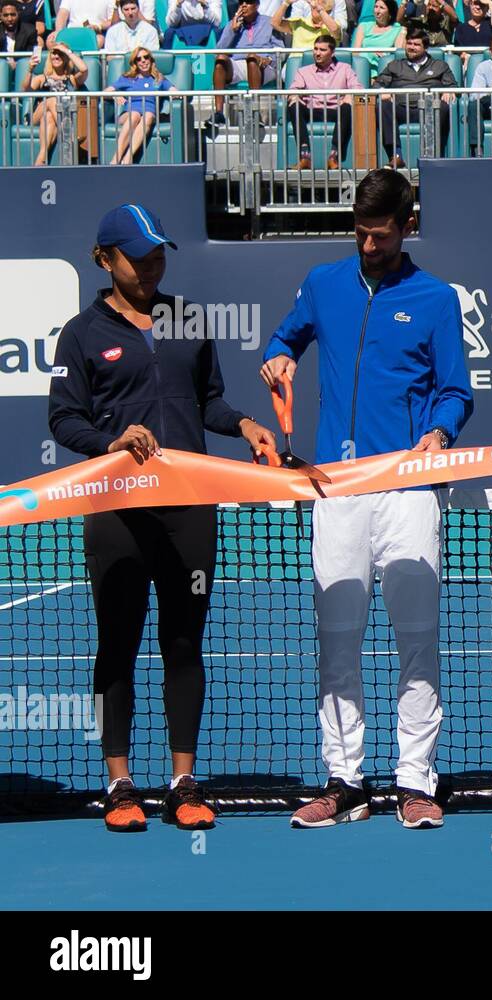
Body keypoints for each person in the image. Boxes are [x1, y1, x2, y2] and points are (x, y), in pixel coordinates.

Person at [47, 204, 276, 833]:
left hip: (188, 509)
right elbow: (64, 419)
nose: (151, 266)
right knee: (117, 644)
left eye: (158, 255)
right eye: (137, 256)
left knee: (183, 642)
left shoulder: (190, 320)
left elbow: (209, 402)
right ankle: (119, 783)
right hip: (117, 509)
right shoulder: (80, 334)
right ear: (105, 260)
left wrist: (245, 424)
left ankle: (182, 781)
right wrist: (112, 440)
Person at [261, 170, 473, 831]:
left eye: (380, 234)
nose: (368, 244)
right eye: (359, 232)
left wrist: (439, 431)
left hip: (408, 492)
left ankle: (416, 782)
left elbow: (456, 390)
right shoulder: (323, 284)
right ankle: (345, 781)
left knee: (417, 641)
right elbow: (284, 340)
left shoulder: (436, 300)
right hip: (337, 490)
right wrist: (278, 360)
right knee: (338, 640)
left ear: (406, 227)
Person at [373, 28, 455, 167]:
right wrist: (381, 91)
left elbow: (452, 85)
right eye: (409, 43)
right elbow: (377, 85)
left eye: (416, 44)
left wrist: (449, 91)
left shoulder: (439, 65)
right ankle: (395, 155)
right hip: (400, 108)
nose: (411, 47)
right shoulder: (395, 65)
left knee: (441, 106)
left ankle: (433, 155)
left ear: (426, 48)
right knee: (382, 105)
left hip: (427, 108)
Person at [288, 33, 359, 168]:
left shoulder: (345, 68)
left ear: (332, 52)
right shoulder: (303, 71)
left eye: (322, 50)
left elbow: (357, 88)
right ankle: (305, 156)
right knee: (293, 105)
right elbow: (293, 89)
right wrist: (294, 96)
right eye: (315, 49)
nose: (317, 53)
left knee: (347, 107)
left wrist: (350, 95)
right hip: (312, 108)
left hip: (335, 109)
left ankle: (334, 155)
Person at [212, 0, 285, 122]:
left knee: (252, 59)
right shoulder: (233, 24)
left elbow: (280, 50)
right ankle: (219, 113)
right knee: (220, 60)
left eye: (249, 2)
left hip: (263, 65)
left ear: (257, 5)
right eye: (241, 3)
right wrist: (232, 30)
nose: (244, 5)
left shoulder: (269, 22)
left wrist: (269, 59)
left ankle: (255, 113)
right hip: (239, 64)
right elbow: (219, 51)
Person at [22, 42, 88, 166]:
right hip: (37, 115)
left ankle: (40, 162)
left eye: (60, 54)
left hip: (52, 117)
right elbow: (26, 90)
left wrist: (67, 51)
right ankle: (69, 133)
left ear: (66, 58)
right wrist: (30, 70)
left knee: (49, 118)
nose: (56, 56)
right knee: (53, 100)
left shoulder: (72, 79)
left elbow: (84, 69)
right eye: (54, 53)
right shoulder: (42, 77)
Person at [105, 46, 172, 163]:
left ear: (151, 60)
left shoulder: (159, 79)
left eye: (146, 57)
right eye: (139, 59)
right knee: (135, 115)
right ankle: (116, 158)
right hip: (128, 114)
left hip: (149, 114)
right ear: (135, 63)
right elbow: (105, 92)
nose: (143, 61)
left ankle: (128, 158)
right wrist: (114, 95)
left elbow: (176, 91)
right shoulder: (127, 78)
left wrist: (177, 96)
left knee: (148, 116)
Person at [352, 0, 405, 76]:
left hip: (384, 69)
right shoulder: (364, 26)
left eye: (381, 8)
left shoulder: (397, 29)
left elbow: (398, 54)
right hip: (363, 69)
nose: (377, 11)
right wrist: (372, 54)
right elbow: (355, 53)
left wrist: (403, 33)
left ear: (390, 12)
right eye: (376, 7)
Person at [270, 0, 342, 49]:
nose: (314, 6)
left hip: (324, 64)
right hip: (298, 63)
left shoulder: (333, 25)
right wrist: (286, 3)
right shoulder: (299, 23)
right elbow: (275, 23)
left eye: (320, 5)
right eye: (313, 6)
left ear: (328, 11)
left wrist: (320, 10)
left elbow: (335, 30)